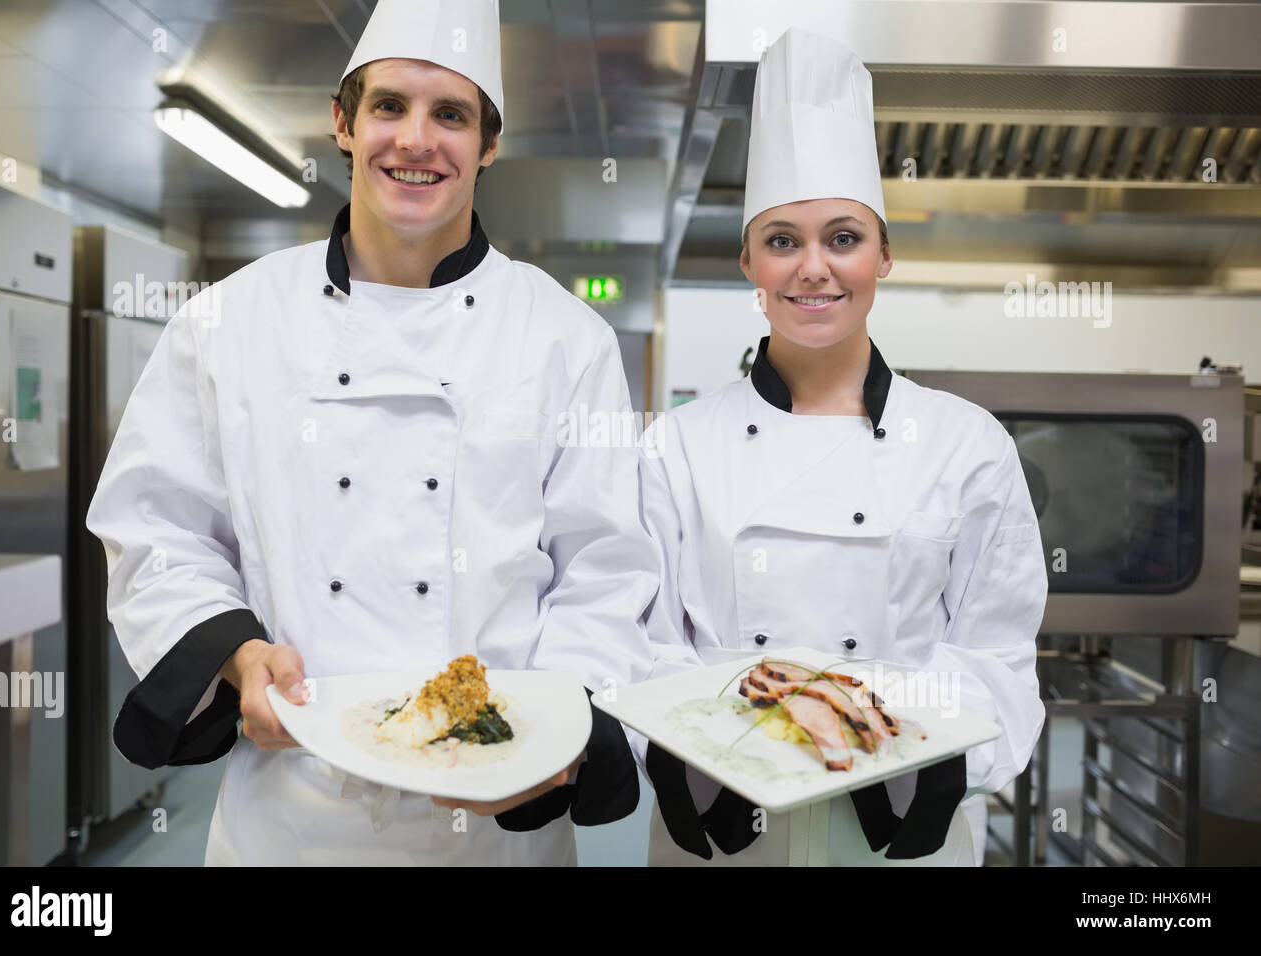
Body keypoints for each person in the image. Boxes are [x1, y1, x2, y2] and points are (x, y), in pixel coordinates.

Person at [86, 0, 655, 866]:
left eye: (451, 114)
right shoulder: (228, 324)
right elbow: (155, 529)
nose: (416, 140)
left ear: (489, 145)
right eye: (389, 106)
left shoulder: (565, 340)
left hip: (490, 830)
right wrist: (239, 657)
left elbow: (605, 573)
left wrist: (556, 737)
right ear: (343, 123)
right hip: (290, 820)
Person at [634, 27, 1047, 866]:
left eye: (844, 238)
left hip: (901, 830)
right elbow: (640, 638)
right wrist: (672, 759)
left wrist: (940, 761)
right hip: (723, 826)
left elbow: (997, 649)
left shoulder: (967, 446)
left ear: (884, 254)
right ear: (749, 257)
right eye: (782, 240)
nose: (812, 269)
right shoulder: (674, 447)